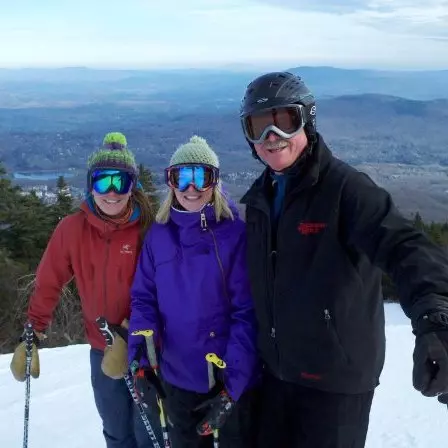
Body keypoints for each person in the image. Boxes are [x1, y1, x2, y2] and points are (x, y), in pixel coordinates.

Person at [238, 71, 448, 447]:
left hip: (334, 383)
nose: (272, 138)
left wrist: (435, 318)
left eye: (284, 121)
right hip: (276, 375)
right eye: (259, 126)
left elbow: (405, 247)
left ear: (308, 121)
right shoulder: (259, 200)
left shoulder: (345, 190)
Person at [10, 132, 163, 448]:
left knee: (148, 434)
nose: (111, 193)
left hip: (148, 349)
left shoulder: (149, 228)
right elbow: (48, 281)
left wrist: (130, 332)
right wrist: (33, 334)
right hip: (100, 349)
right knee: (117, 431)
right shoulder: (72, 229)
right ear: (90, 185)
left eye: (119, 182)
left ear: (132, 186)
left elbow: (162, 289)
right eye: (102, 182)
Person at [127, 135, 259, 448]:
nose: (191, 187)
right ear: (170, 182)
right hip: (178, 380)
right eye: (182, 177)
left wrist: (232, 387)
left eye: (202, 176)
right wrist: (142, 361)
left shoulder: (235, 235)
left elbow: (248, 311)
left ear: (215, 182)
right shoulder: (159, 237)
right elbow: (144, 300)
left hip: (226, 382)